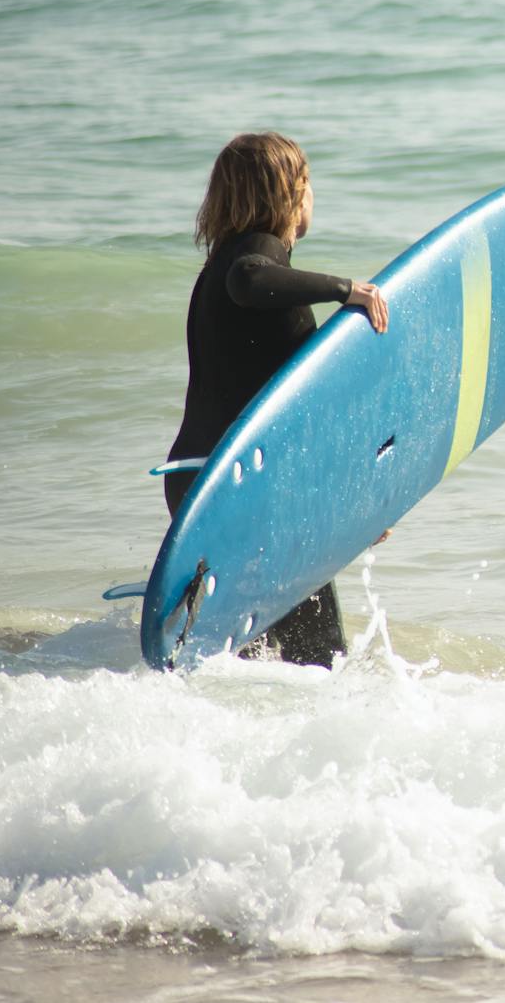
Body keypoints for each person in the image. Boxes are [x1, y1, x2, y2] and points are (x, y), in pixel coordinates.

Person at [164, 132, 388, 666]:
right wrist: (346, 289)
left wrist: (354, 507)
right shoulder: (250, 258)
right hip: (245, 491)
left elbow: (285, 413)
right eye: (307, 183)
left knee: (242, 660)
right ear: (289, 194)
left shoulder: (213, 273)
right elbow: (252, 279)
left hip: (203, 481)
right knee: (321, 660)